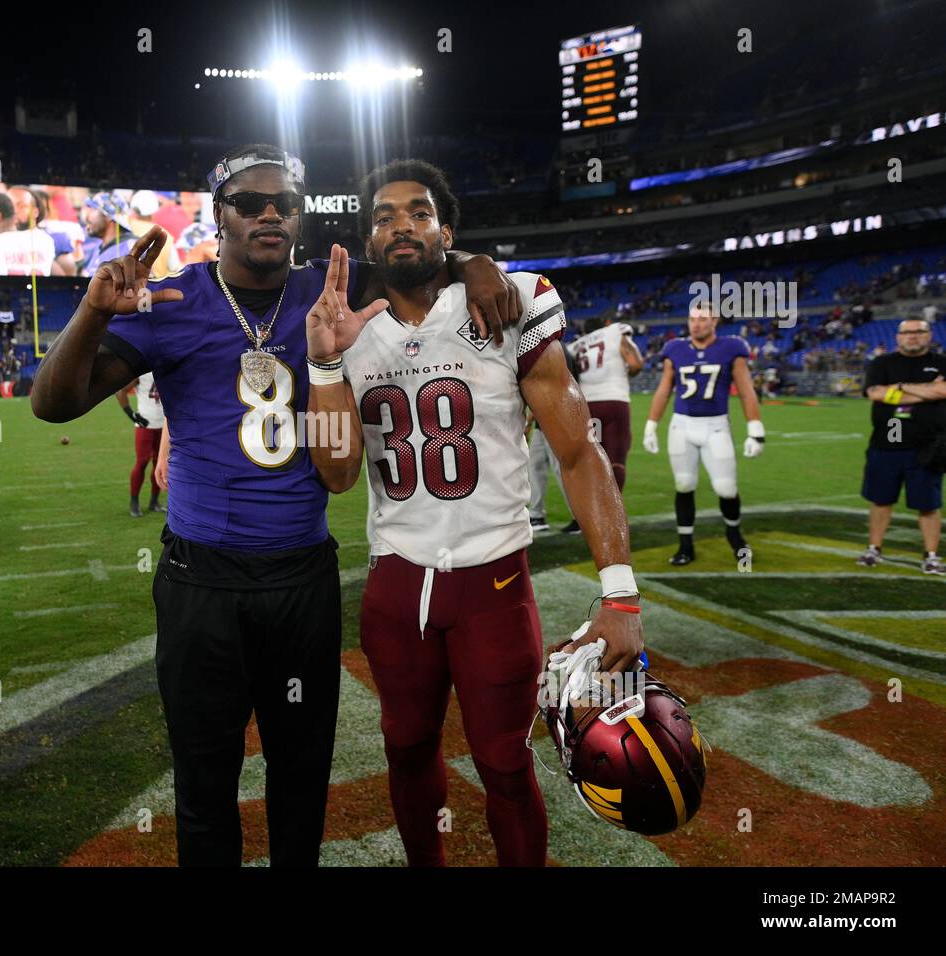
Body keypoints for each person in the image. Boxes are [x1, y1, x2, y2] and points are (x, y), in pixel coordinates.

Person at [31, 142, 522, 867]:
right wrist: (92, 312)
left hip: (301, 581)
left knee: (301, 780)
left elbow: (420, 257)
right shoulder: (173, 299)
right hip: (202, 583)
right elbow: (54, 404)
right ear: (219, 214)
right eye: (250, 203)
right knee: (204, 782)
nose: (270, 215)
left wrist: (477, 263)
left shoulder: (333, 287)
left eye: (284, 204)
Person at [306, 160, 643, 867]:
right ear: (369, 240)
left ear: (446, 230)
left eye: (420, 213)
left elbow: (580, 452)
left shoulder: (507, 301)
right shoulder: (346, 324)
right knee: (405, 748)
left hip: (493, 583)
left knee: (504, 762)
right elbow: (335, 473)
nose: (402, 225)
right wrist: (327, 369)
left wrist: (620, 593)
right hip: (397, 585)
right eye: (385, 216)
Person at [642, 304, 764, 566]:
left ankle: (735, 535)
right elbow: (664, 390)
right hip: (681, 426)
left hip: (716, 426)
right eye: (692, 318)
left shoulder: (731, 347)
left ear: (714, 321)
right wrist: (651, 425)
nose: (696, 323)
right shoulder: (675, 349)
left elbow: (746, 390)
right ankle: (685, 545)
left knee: (726, 488)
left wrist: (756, 430)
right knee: (684, 484)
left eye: (702, 318)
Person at [858, 317, 945, 574]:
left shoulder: (941, 362)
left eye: (919, 332)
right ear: (898, 337)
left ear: (929, 335)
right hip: (886, 443)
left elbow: (943, 392)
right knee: (880, 500)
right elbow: (875, 393)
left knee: (928, 505)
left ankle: (930, 555)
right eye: (907, 333)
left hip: (928, 446)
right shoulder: (882, 363)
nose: (913, 336)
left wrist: (899, 388)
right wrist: (927, 390)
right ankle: (874, 548)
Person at [566, 316, 644, 492]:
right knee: (616, 462)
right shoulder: (614, 331)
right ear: (604, 325)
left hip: (588, 408)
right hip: (614, 404)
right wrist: (626, 373)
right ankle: (613, 516)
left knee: (593, 462)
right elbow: (635, 364)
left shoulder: (575, 346)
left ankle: (593, 514)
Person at [115, 373, 165, 517]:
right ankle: (134, 502)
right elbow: (120, 391)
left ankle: (154, 501)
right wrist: (131, 414)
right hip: (145, 424)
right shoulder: (142, 372)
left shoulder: (167, 368)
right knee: (142, 462)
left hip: (165, 426)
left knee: (159, 464)